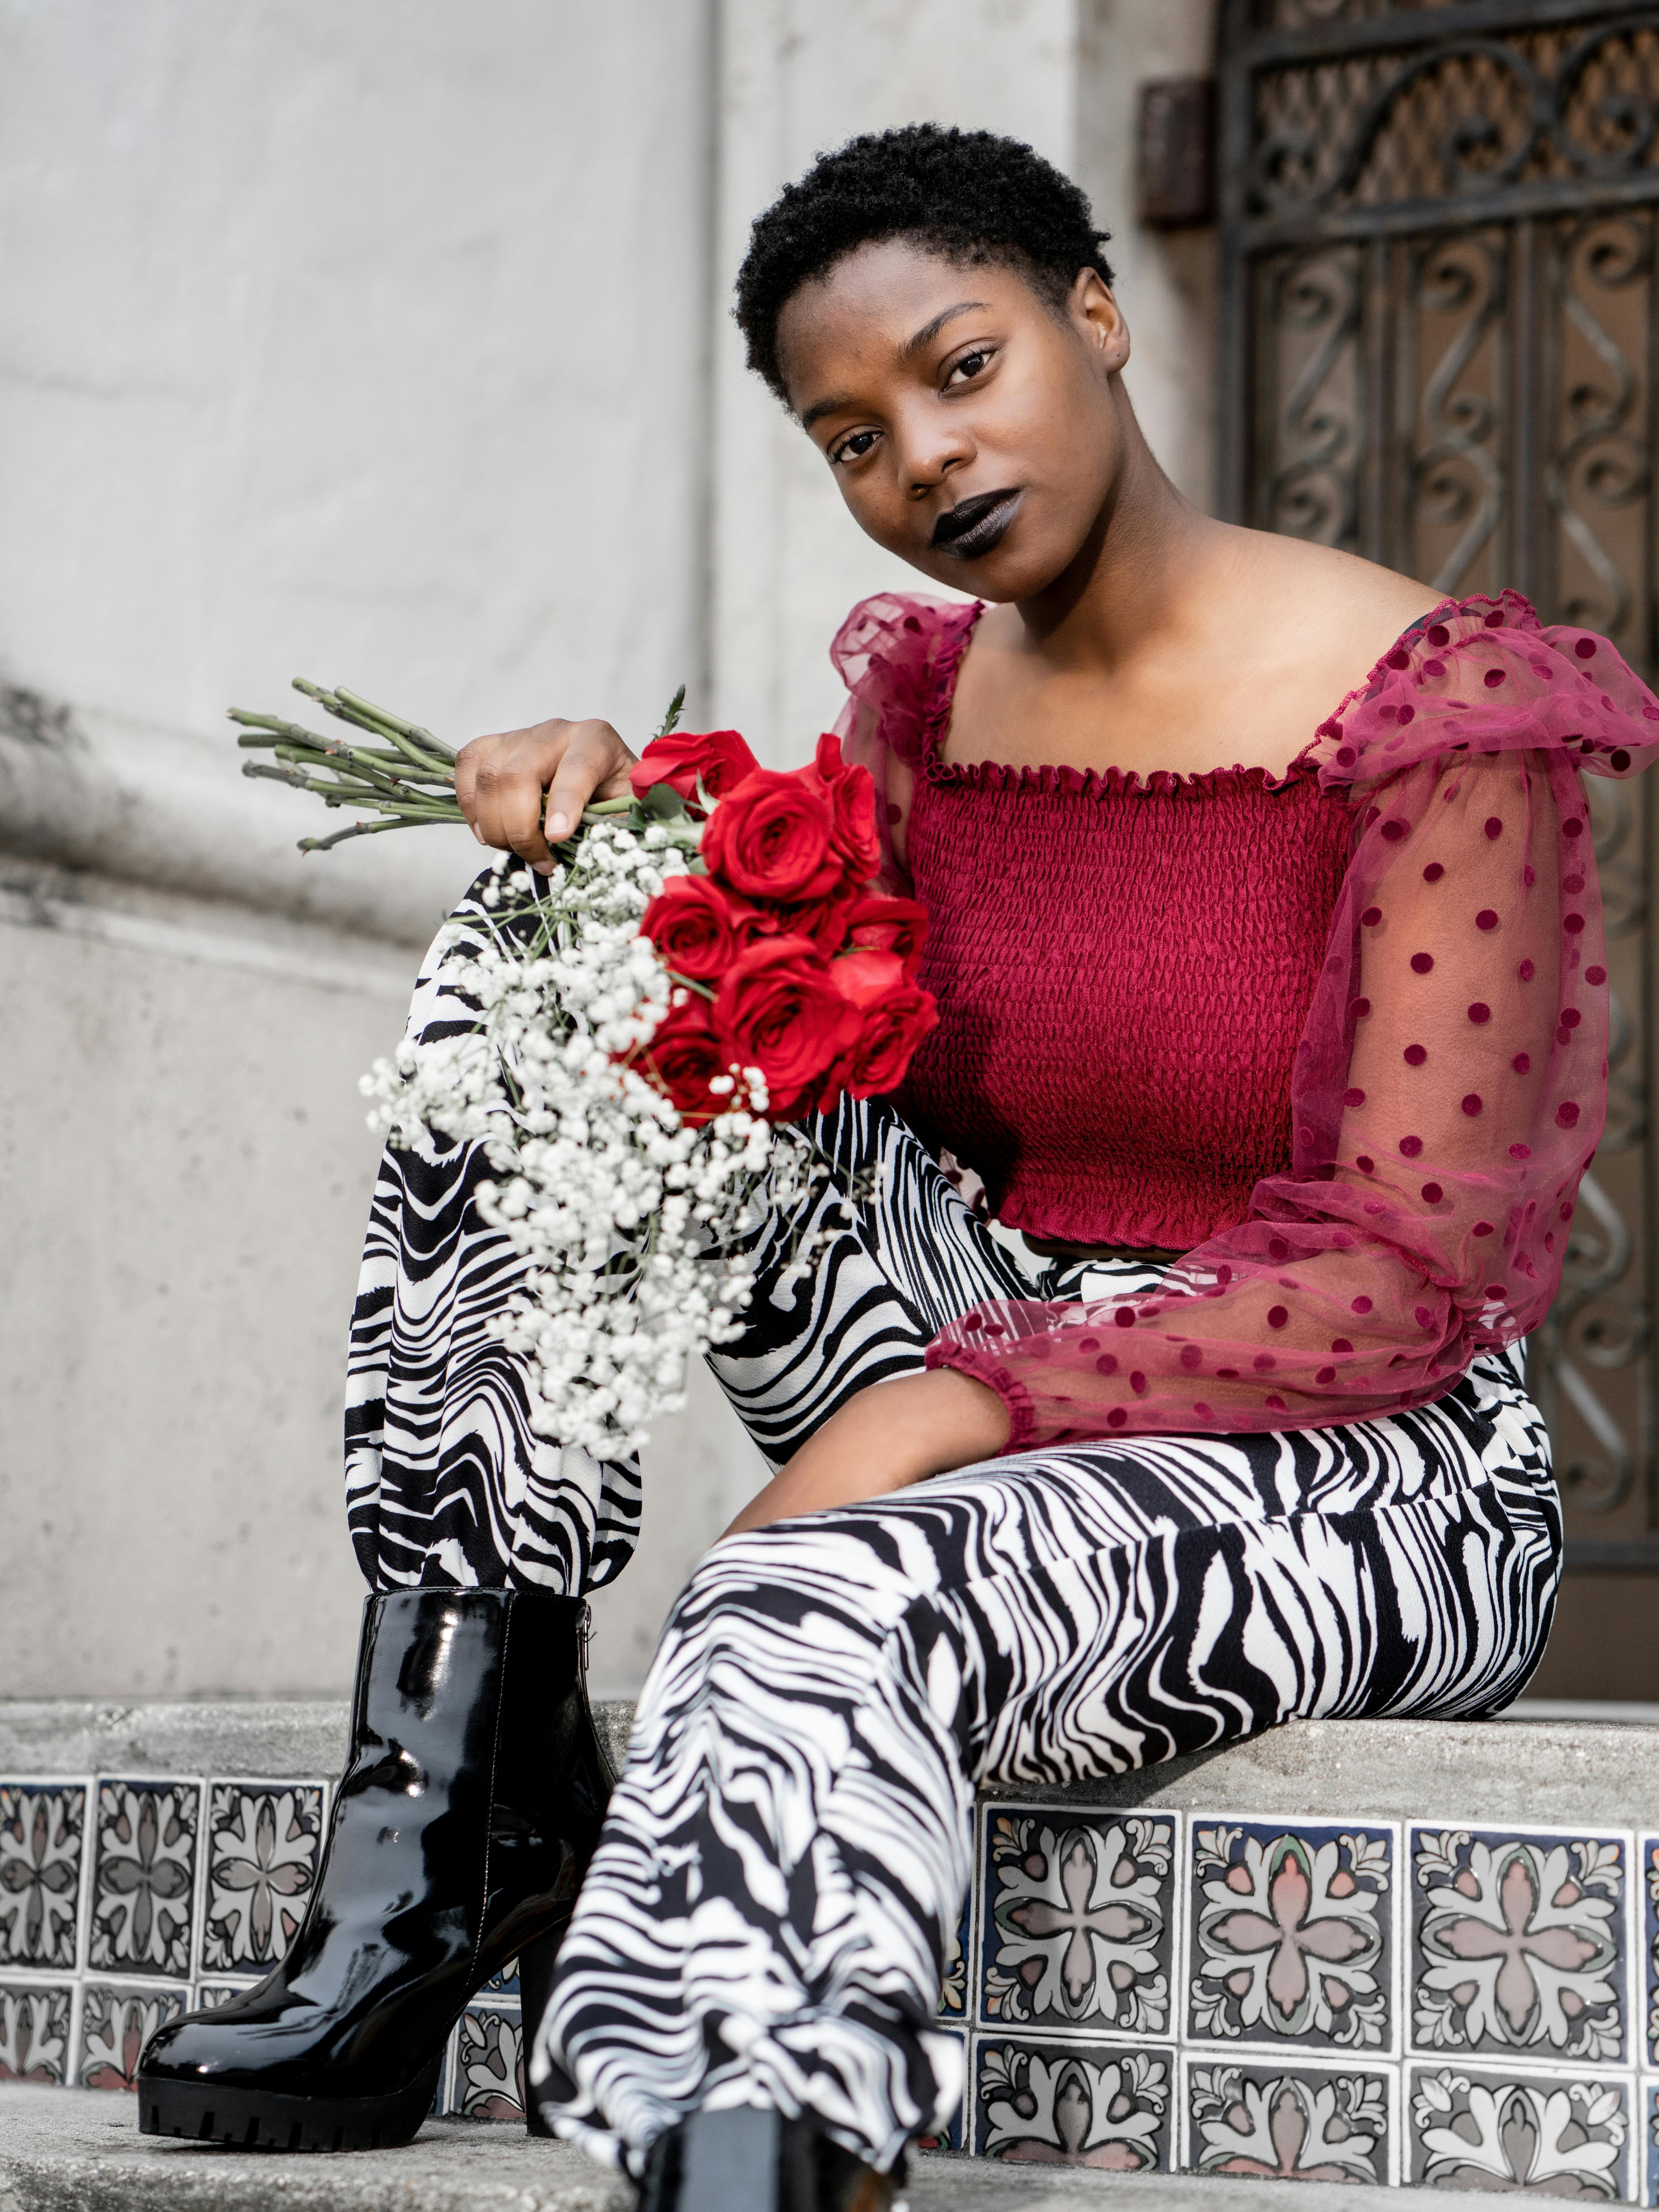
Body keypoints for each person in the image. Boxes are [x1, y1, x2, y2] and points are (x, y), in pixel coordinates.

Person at [142, 123, 1656, 2211]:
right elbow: (783, 1065)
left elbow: (1407, 1264)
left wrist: (955, 1404)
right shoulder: (929, 714)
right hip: (976, 1327)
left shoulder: (1429, 704)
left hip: (1358, 1441)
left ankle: (764, 2160)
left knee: (805, 1590)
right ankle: (451, 1805)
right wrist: (626, 834)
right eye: (856, 437)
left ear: (1098, 317)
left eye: (963, 368)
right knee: (566, 939)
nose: (925, 462)